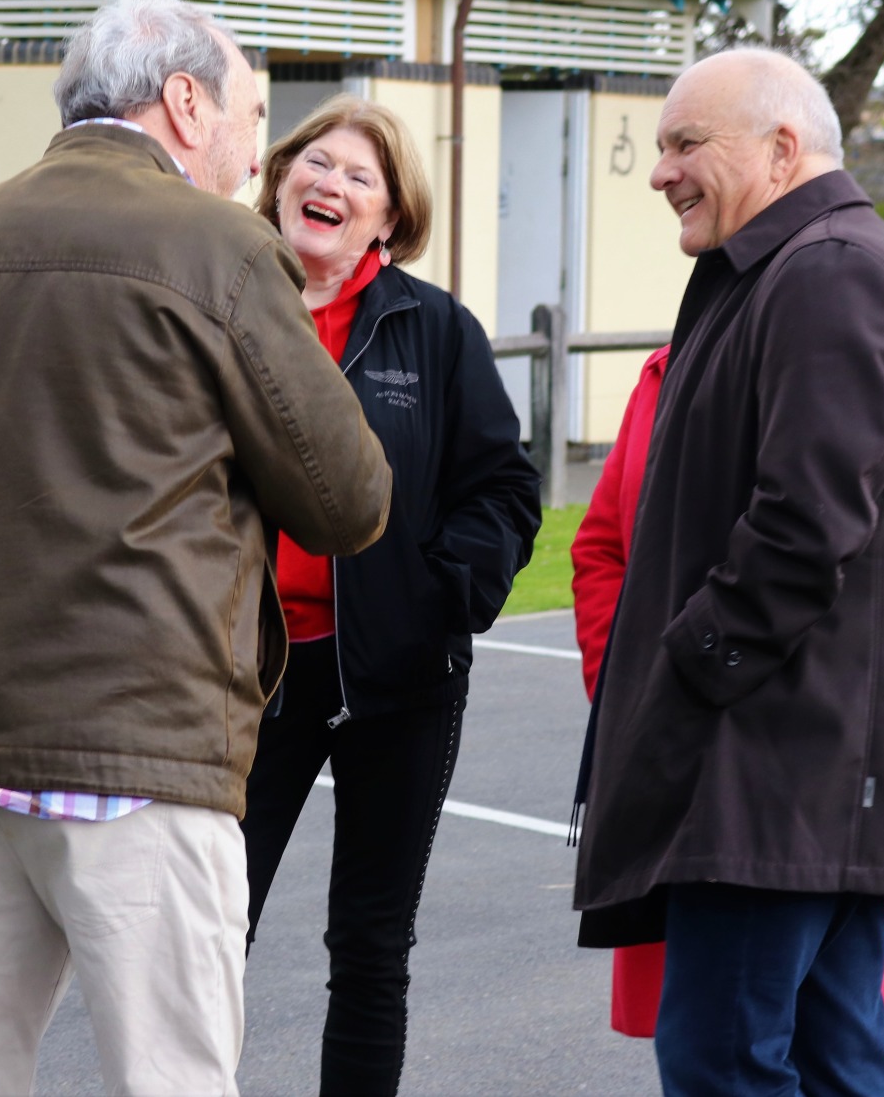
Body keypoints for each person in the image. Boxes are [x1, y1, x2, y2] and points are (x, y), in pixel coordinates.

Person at [0, 0, 393, 1097]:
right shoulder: (216, 244)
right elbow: (346, 495)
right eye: (251, 115)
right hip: (138, 750)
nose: (258, 149)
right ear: (182, 102)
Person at [570, 48, 884, 1097]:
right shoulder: (792, 267)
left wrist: (686, 668)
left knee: (723, 1063)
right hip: (806, 771)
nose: (658, 171)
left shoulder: (828, 272)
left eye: (683, 144)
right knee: (830, 1061)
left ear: (781, 149)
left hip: (777, 768)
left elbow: (804, 527)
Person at [240, 96, 542, 1096]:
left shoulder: (435, 330)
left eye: (357, 177)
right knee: (202, 929)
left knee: (369, 945)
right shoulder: (224, 305)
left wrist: (437, 596)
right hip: (244, 672)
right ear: (279, 177)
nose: (329, 183)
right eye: (314, 162)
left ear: (388, 218)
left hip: (399, 679)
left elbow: (501, 488)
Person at [570, 347, 884, 1045]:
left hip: (796, 769)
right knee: (732, 1045)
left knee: (775, 1048)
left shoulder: (814, 363)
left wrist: (697, 676)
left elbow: (815, 548)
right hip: (678, 758)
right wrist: (633, 688)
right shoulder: (665, 372)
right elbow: (601, 549)